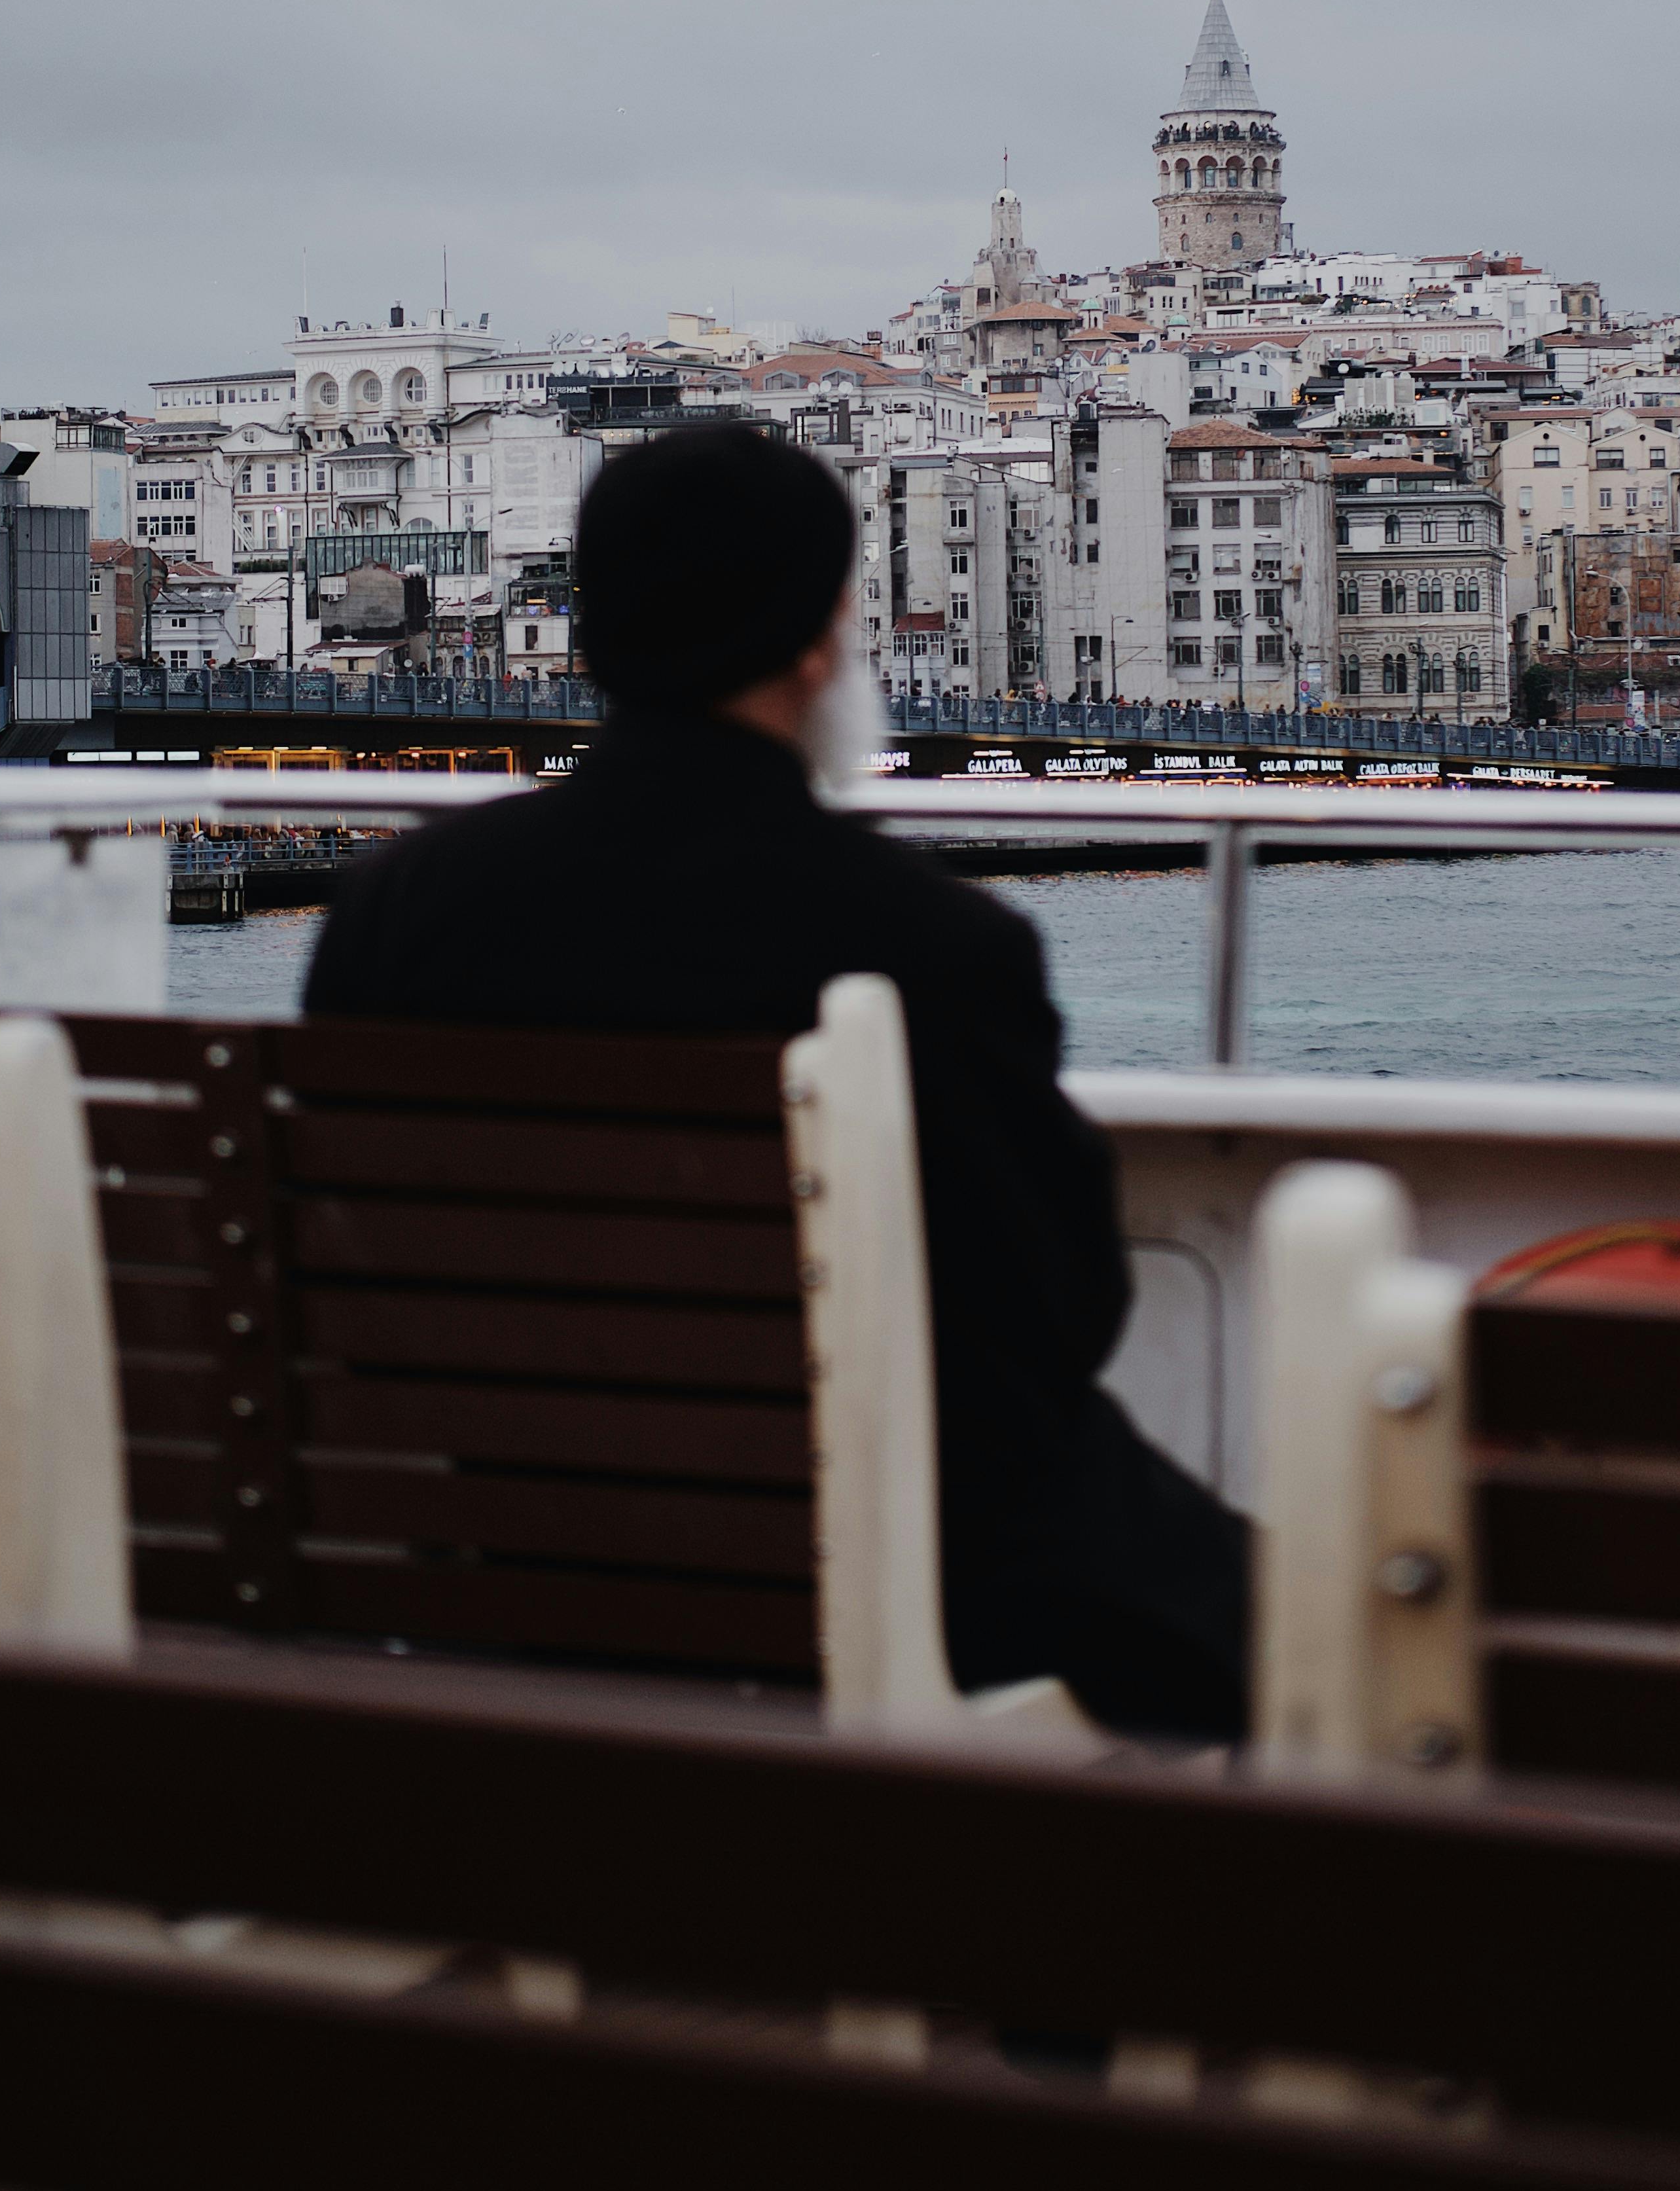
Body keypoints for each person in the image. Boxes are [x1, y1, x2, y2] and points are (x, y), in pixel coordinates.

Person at [307, 422, 1248, 1743]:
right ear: (820, 646)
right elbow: (1052, 1314)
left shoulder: (389, 912)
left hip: (509, 1560)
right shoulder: (932, 943)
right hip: (871, 1573)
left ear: (594, 637)